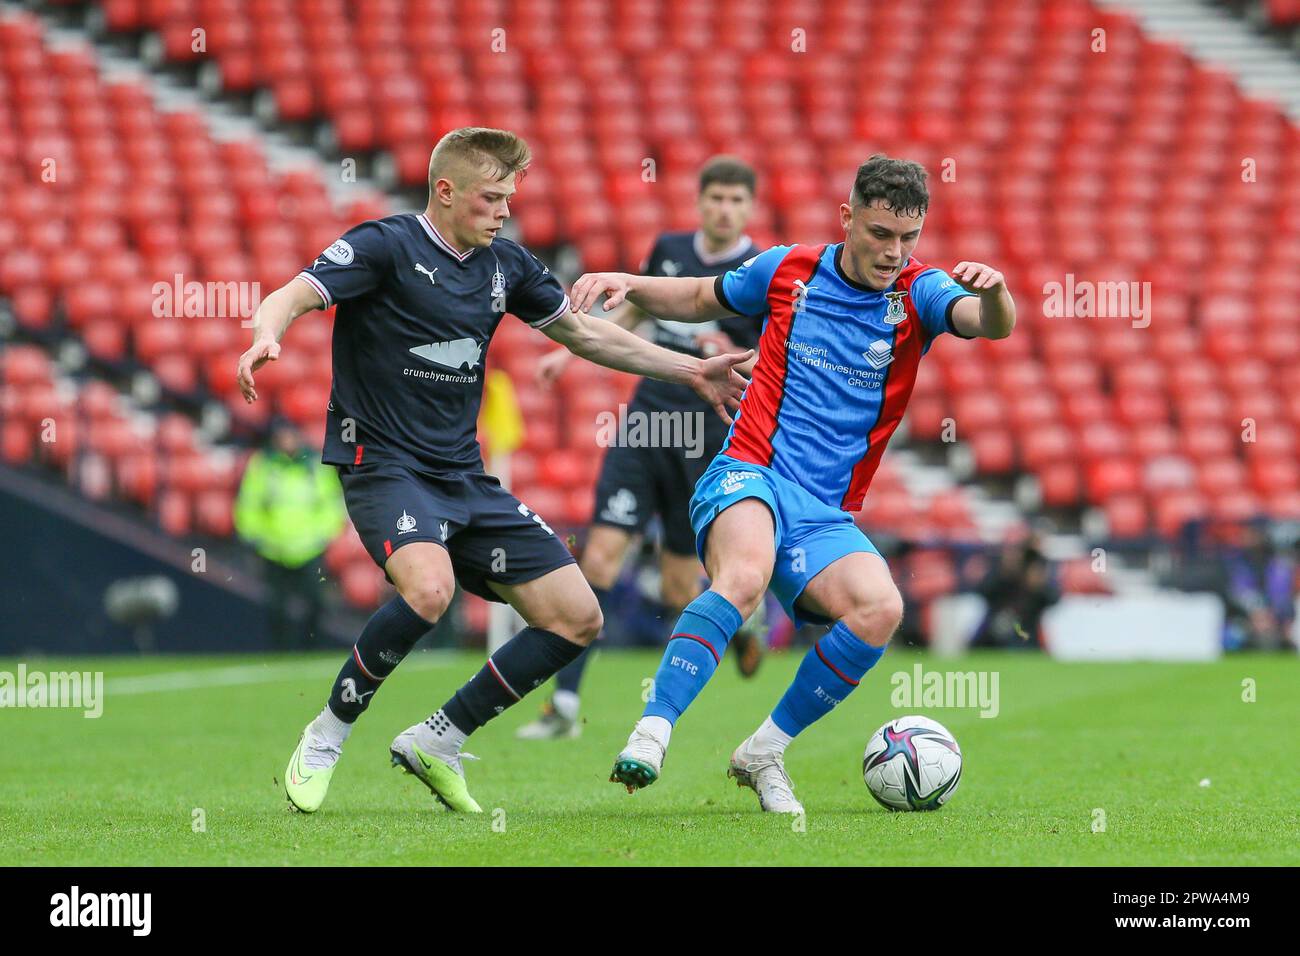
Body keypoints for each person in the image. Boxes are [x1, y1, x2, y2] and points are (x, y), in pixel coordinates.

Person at [236, 127, 750, 814]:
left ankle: (439, 739)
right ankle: (329, 732)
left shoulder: (506, 265)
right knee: (428, 590)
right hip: (384, 465)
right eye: (492, 197)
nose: (506, 210)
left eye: (511, 197)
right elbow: (295, 291)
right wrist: (267, 331)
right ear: (445, 192)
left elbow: (586, 333)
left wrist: (692, 371)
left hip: (463, 479)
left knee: (576, 617)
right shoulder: (385, 245)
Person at [570, 154, 1017, 813]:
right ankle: (654, 727)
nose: (894, 251)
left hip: (822, 513)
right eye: (879, 233)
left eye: (908, 237)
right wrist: (629, 283)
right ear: (848, 220)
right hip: (748, 471)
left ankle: (763, 751)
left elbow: (990, 324)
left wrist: (995, 292)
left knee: (880, 608)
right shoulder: (789, 269)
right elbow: (699, 297)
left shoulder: (920, 293)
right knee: (744, 576)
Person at [516, 157, 768, 741]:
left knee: (683, 587)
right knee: (600, 556)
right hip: (647, 422)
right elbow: (639, 307)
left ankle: (742, 633)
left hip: (708, 432)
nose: (724, 210)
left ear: (748, 208)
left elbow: (768, 360)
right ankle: (564, 708)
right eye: (716, 199)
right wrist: (568, 348)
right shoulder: (670, 249)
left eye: (736, 201)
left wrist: (725, 344)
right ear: (701, 202)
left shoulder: (760, 271)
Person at [232, 417, 346, 649]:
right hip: (274, 548)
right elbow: (249, 503)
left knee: (315, 602)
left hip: (310, 548)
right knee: (276, 607)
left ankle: (311, 649)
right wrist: (255, 535)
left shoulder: (315, 466)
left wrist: (323, 535)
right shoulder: (263, 465)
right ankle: (280, 652)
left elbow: (331, 504)